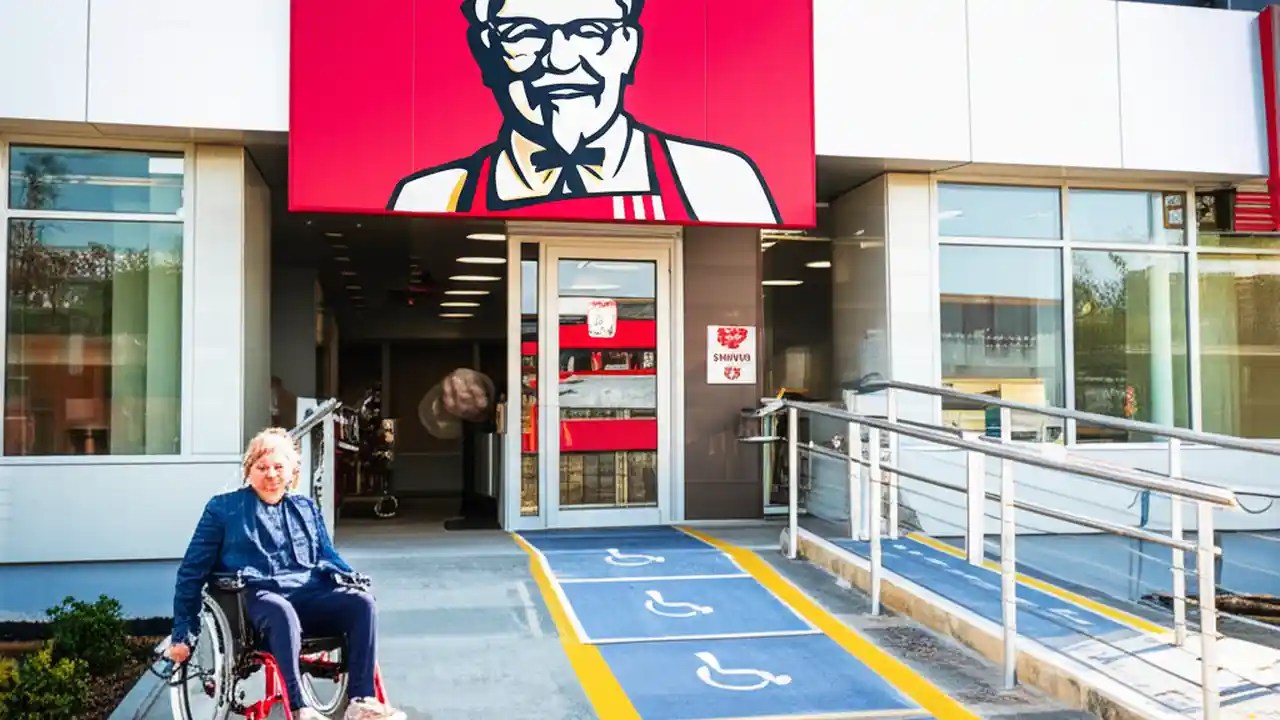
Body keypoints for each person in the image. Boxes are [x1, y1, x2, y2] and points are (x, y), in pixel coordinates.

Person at [386, 0, 781, 225]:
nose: (559, 59)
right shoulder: (435, 195)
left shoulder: (716, 179)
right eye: (525, 33)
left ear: (628, 47)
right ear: (488, 54)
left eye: (589, 31)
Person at [166, 428, 406, 720]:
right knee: (282, 610)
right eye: (262, 467)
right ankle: (300, 706)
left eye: (279, 467)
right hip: (256, 599)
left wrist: (350, 580)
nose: (271, 475)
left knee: (361, 603)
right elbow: (191, 571)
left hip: (306, 594)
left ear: (293, 471)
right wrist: (182, 632)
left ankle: (361, 701)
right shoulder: (223, 509)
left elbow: (327, 556)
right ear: (249, 470)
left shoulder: (304, 508)